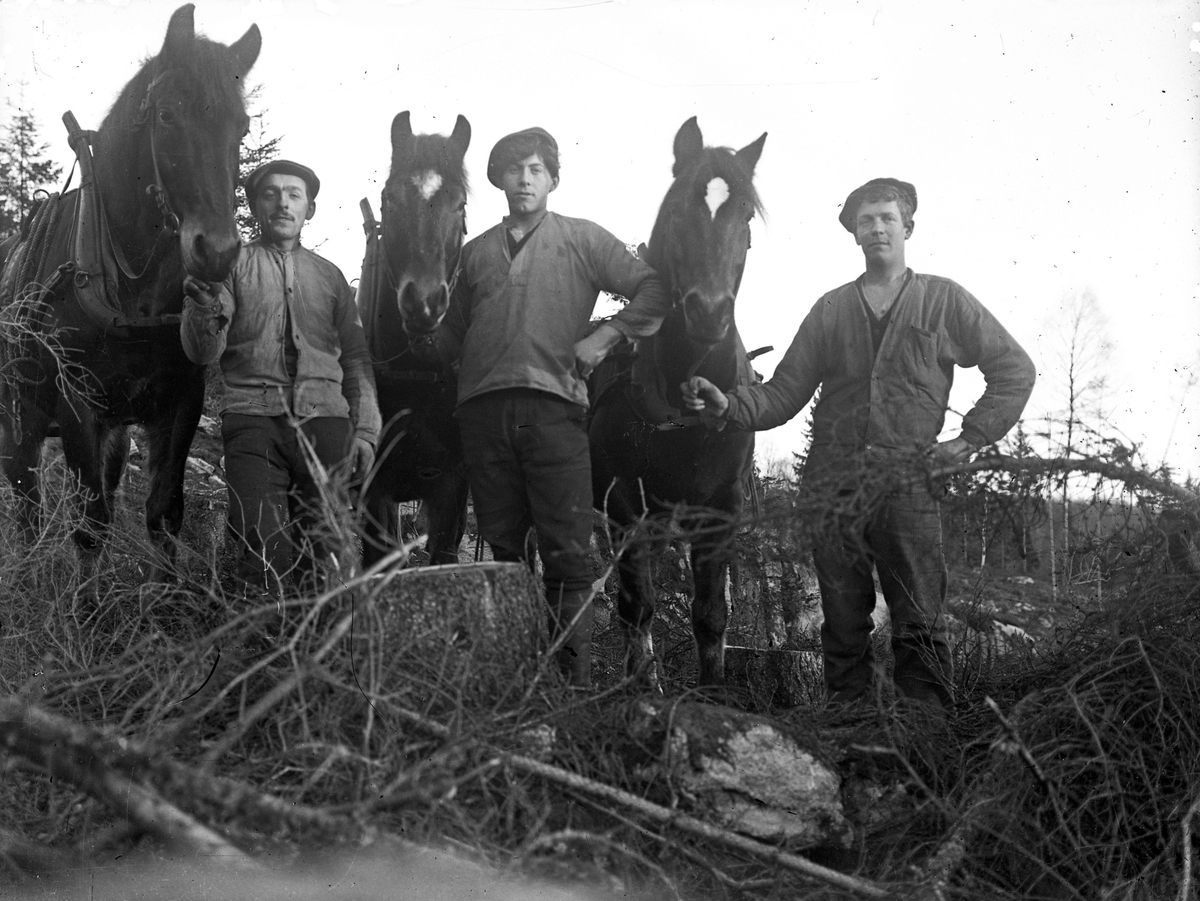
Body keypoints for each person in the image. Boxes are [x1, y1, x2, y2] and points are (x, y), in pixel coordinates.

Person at [682, 178, 1036, 712]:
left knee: (919, 619)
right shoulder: (831, 309)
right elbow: (782, 394)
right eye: (865, 220)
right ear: (853, 233)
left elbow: (1015, 371)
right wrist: (728, 405)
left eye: (887, 218)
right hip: (832, 487)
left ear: (907, 226)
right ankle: (848, 732)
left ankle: (926, 740)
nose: (876, 228)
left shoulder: (943, 300)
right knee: (844, 624)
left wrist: (967, 443)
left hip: (909, 485)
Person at [438, 127, 668, 687]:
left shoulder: (582, 239)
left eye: (535, 169)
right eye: (514, 170)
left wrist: (606, 336)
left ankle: (571, 696)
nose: (523, 179)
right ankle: (518, 690)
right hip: (483, 415)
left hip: (556, 412)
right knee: (503, 556)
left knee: (567, 556)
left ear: (553, 179)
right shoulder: (473, 254)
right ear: (498, 180)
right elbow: (451, 337)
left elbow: (653, 288)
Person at [181, 159, 381, 598]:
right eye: (270, 194)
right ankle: (264, 656)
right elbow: (203, 351)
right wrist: (202, 309)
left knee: (326, 556)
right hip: (253, 422)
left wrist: (365, 430)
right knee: (263, 552)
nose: (283, 204)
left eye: (294, 195)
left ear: (309, 209)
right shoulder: (231, 268)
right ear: (255, 206)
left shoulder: (329, 277)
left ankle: (323, 658)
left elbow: (358, 359)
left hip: (326, 425)